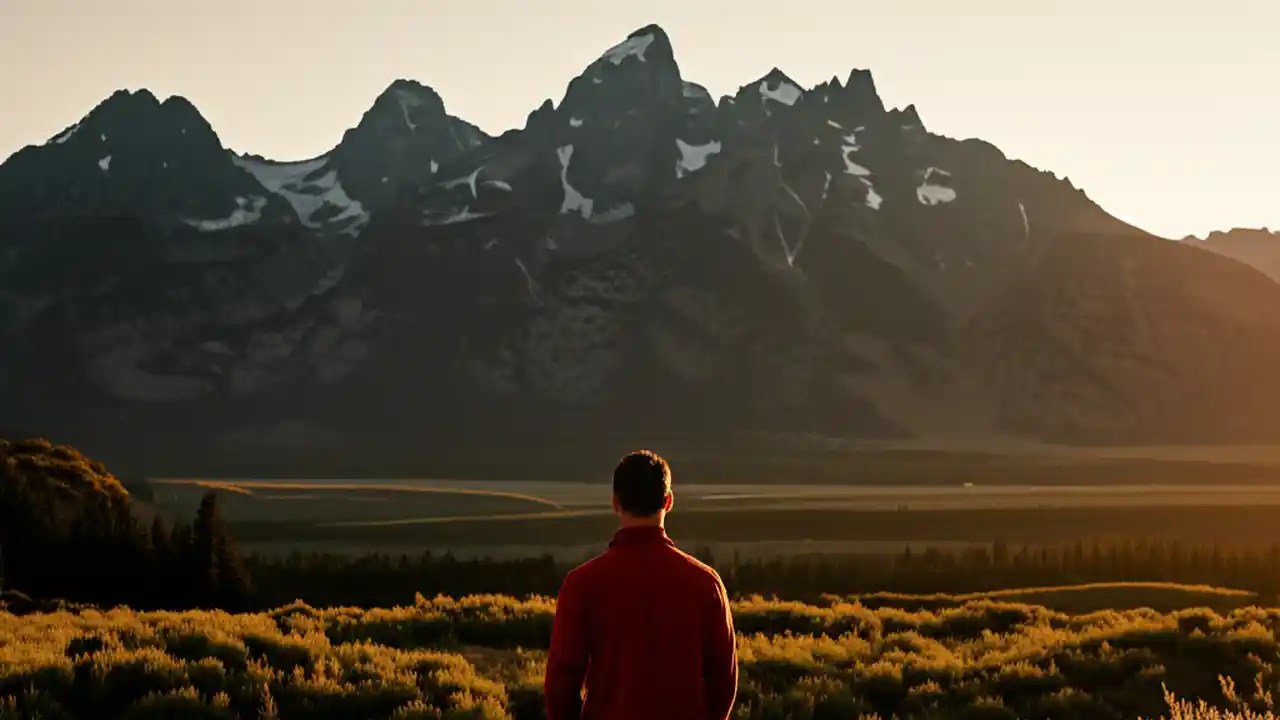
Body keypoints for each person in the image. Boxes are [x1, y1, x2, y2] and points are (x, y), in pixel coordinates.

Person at [544, 450, 738, 720]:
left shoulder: (582, 585)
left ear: (615, 502)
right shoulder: (706, 584)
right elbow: (723, 680)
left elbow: (561, 682)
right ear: (668, 501)